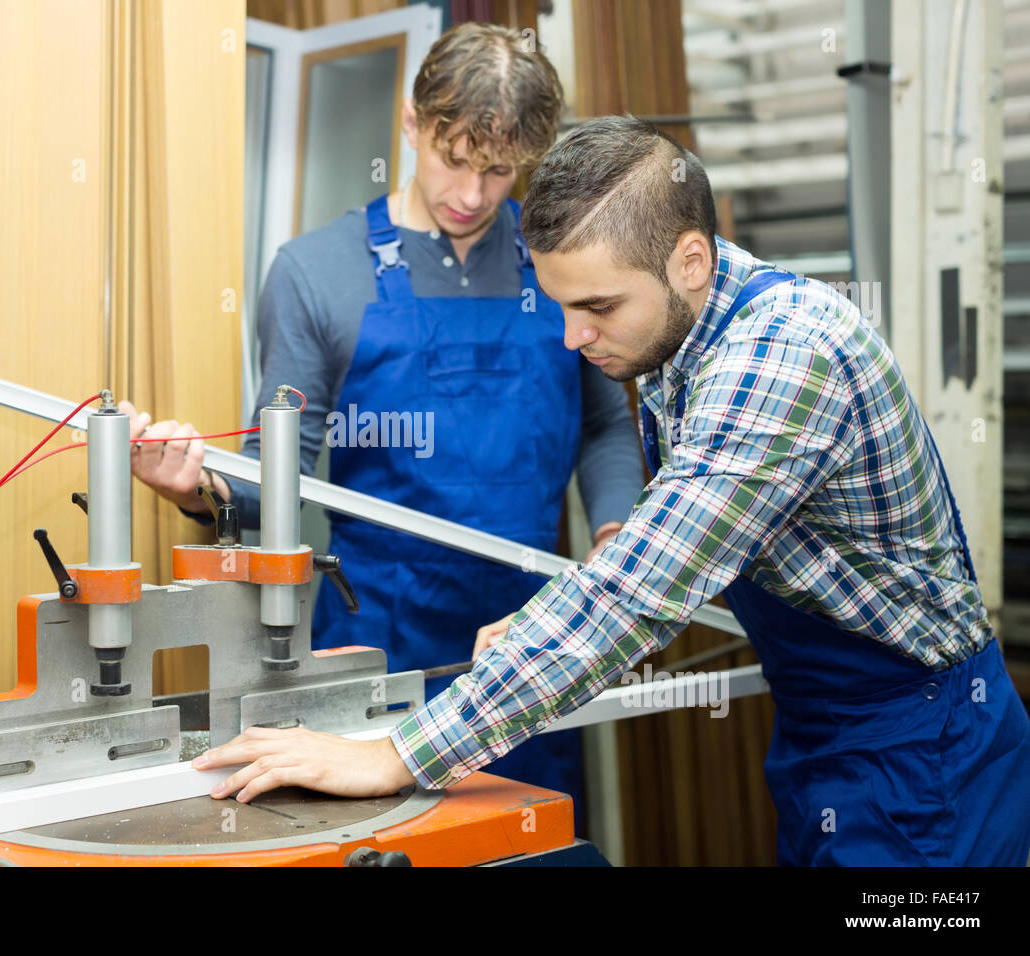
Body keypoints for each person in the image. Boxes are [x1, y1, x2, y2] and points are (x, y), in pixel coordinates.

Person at [192, 115, 1030, 866]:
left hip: (922, 747)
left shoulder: (781, 355)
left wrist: (395, 755)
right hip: (827, 730)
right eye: (560, 305)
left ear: (690, 259)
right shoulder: (683, 332)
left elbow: (639, 596)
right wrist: (539, 623)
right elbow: (667, 535)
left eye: (595, 306)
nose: (571, 336)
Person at [119, 24, 645, 824]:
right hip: (380, 654)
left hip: (529, 649)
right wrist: (197, 491)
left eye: (498, 170)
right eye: (452, 157)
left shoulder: (560, 259)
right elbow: (276, 486)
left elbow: (606, 427)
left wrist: (617, 541)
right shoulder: (315, 271)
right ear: (411, 123)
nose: (471, 193)